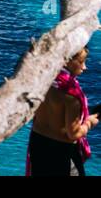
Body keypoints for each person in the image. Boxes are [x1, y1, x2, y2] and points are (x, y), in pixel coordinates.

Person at [28, 47, 96, 175]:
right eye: (81, 62)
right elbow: (73, 134)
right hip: (62, 152)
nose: (84, 67)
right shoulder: (71, 95)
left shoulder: (41, 80)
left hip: (38, 144)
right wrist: (90, 122)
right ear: (66, 61)